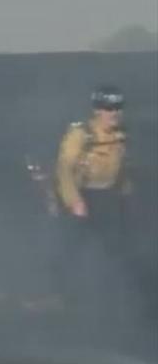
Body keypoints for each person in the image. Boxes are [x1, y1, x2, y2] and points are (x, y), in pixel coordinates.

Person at [51, 84, 135, 313]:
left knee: (113, 248)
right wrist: (74, 201)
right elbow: (64, 169)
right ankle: (65, 296)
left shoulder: (120, 133)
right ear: (97, 110)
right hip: (81, 196)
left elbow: (123, 166)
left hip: (107, 195)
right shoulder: (81, 133)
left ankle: (109, 295)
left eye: (118, 107)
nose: (114, 113)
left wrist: (126, 194)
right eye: (108, 108)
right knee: (73, 249)